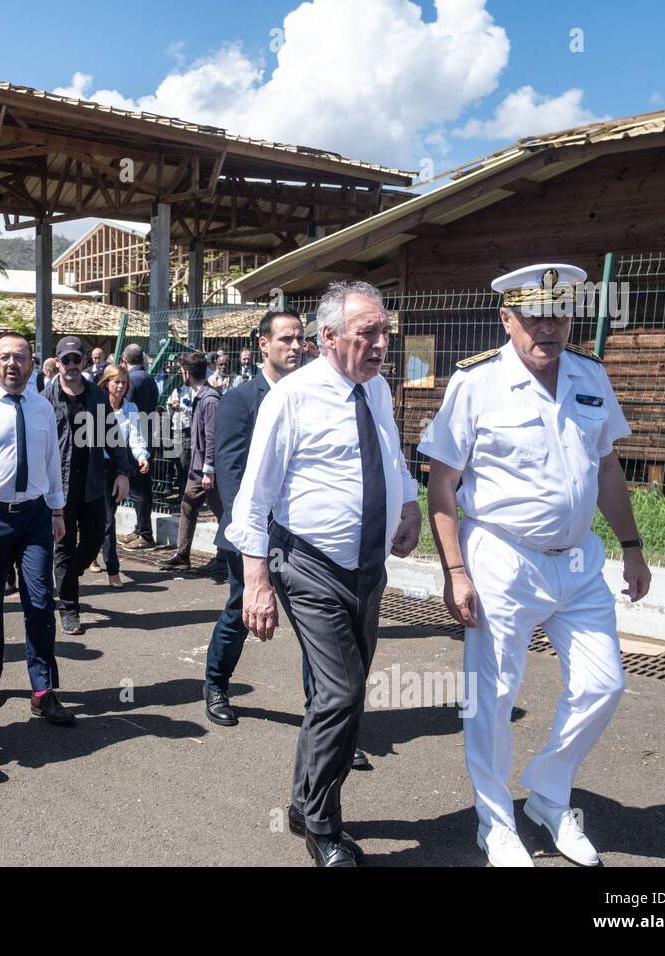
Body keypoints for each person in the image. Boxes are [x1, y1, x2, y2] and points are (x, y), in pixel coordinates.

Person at [419, 263, 651, 868]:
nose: (546, 328)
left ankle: (548, 795)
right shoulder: (475, 383)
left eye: (557, 315)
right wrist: (455, 572)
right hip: (501, 556)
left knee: (604, 683)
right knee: (492, 695)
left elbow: (606, 469)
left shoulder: (590, 376)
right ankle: (495, 824)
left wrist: (632, 546)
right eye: (532, 317)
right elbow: (442, 482)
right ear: (507, 319)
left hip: (578, 562)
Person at [228, 280, 421, 867]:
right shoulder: (292, 398)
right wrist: (256, 582)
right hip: (309, 564)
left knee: (346, 695)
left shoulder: (378, 389)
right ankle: (321, 825)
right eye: (370, 333)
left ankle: (302, 799)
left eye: (385, 331)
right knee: (342, 691)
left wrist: (408, 503)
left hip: (367, 567)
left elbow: (389, 453)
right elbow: (254, 496)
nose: (383, 343)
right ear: (329, 338)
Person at [0, 333, 75, 723]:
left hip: (34, 517)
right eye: (4, 357)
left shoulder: (43, 407)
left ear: (32, 363)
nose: (12, 363)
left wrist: (57, 512)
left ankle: (43, 689)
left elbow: (51, 462)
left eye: (20, 357)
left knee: (41, 602)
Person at [204, 311, 303, 725]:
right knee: (240, 613)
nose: (296, 346)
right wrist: (247, 536)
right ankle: (216, 685)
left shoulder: (312, 394)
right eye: (285, 339)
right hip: (253, 532)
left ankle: (329, 719)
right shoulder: (240, 400)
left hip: (300, 532)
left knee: (313, 624)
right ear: (263, 344)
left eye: (300, 338)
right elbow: (229, 473)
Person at [41, 336, 133, 634]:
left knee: (94, 539)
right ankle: (69, 608)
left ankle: (67, 578)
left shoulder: (96, 396)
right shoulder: (45, 399)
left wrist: (122, 471)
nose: (70, 365)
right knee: (63, 546)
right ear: (57, 362)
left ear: (84, 362)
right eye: (64, 360)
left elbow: (113, 436)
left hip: (92, 482)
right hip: (59, 486)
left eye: (75, 359)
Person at [161, 352, 223, 572]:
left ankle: (224, 558)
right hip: (199, 469)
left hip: (208, 470)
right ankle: (182, 554)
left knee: (222, 513)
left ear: (186, 373)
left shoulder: (209, 400)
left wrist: (209, 470)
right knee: (187, 506)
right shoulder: (202, 397)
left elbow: (213, 436)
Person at [97, 364, 149, 588]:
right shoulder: (96, 405)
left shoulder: (131, 409)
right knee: (106, 520)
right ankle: (113, 570)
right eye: (116, 381)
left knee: (106, 518)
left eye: (124, 382)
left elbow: (136, 437)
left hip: (118, 469)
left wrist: (142, 456)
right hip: (94, 468)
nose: (120, 386)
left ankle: (94, 555)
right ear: (106, 382)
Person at [120, 343, 160, 549]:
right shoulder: (149, 379)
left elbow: (126, 411)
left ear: (124, 361)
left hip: (136, 441)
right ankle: (140, 529)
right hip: (148, 437)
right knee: (142, 488)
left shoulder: (132, 381)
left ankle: (144, 532)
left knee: (139, 489)